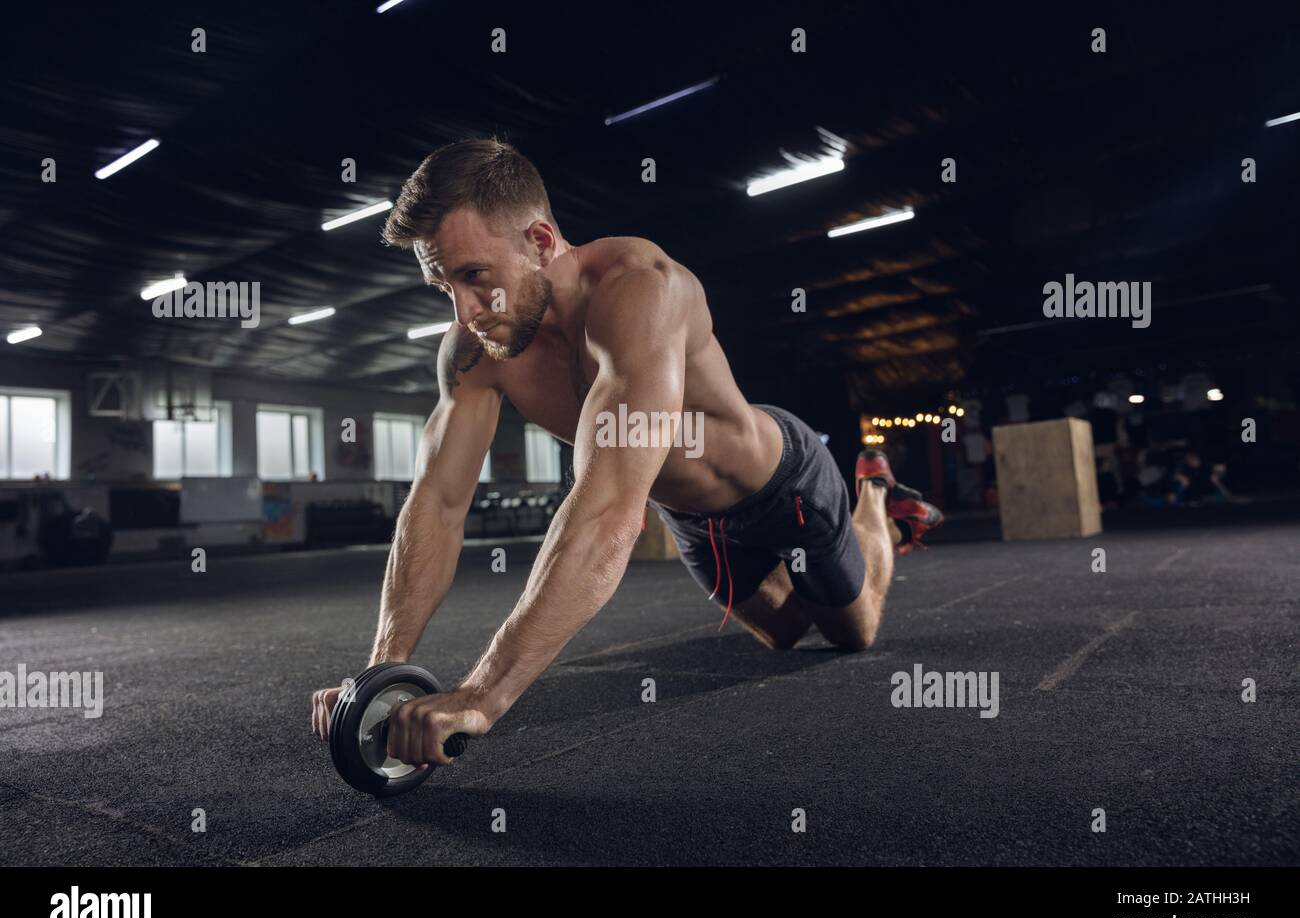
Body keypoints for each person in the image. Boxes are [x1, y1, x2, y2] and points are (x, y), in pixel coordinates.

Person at [309, 139, 942, 768]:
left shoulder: (640, 292)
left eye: (475, 276)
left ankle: (875, 498)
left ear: (539, 241)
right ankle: (823, 561)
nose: (465, 311)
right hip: (691, 516)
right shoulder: (476, 354)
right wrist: (378, 679)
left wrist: (482, 694)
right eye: (441, 285)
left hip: (782, 483)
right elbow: (438, 505)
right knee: (782, 635)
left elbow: (609, 510)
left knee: (850, 634)